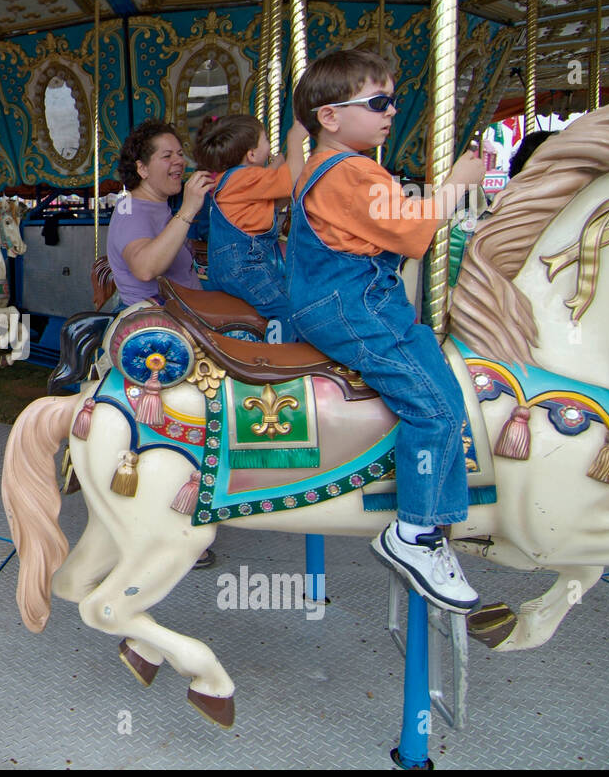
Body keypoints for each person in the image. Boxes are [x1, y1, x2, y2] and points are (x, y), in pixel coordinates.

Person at [288, 48, 485, 613]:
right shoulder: (352, 171)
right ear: (330, 116)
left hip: (342, 303)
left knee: (426, 358)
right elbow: (411, 231)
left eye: (392, 101)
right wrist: (458, 183)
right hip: (355, 306)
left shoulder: (321, 168)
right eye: (378, 103)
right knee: (436, 408)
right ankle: (415, 533)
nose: (392, 111)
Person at [194, 114, 308, 338]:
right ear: (252, 154)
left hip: (235, 264)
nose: (269, 145)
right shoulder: (245, 178)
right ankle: (281, 352)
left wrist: (281, 160)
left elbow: (275, 187)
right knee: (285, 307)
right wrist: (295, 140)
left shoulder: (235, 178)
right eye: (265, 139)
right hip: (244, 266)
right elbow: (292, 181)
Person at [106, 119, 216, 306]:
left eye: (180, 154)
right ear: (142, 168)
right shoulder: (130, 210)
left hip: (184, 306)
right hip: (160, 314)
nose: (180, 161)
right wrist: (188, 209)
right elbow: (145, 269)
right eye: (167, 156)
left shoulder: (156, 205)